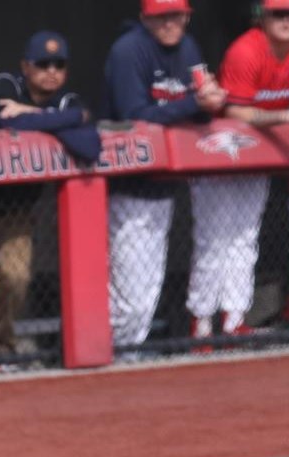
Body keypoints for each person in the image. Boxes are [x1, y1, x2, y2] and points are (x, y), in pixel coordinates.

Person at [0, 31, 99, 361]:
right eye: (43, 64)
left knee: (16, 277)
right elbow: (4, 121)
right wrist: (66, 121)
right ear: (25, 66)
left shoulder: (67, 101)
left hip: (14, 213)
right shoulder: (5, 85)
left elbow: (90, 145)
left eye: (59, 65)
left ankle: (0, 349)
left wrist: (39, 116)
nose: (51, 71)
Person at [189, 0, 289, 341]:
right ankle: (202, 324)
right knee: (214, 239)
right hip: (218, 153)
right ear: (262, 19)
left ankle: (234, 319)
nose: (286, 21)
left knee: (245, 238)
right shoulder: (245, 51)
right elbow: (235, 112)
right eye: (278, 13)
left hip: (258, 155)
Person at [104, 0, 226, 353]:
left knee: (147, 290)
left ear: (187, 16)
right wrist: (194, 104)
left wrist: (210, 101)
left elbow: (201, 109)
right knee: (131, 296)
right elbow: (134, 115)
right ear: (145, 18)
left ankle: (127, 357)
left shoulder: (189, 48)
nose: (170, 23)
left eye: (176, 15)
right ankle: (113, 359)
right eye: (161, 16)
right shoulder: (128, 51)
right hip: (127, 188)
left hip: (163, 189)